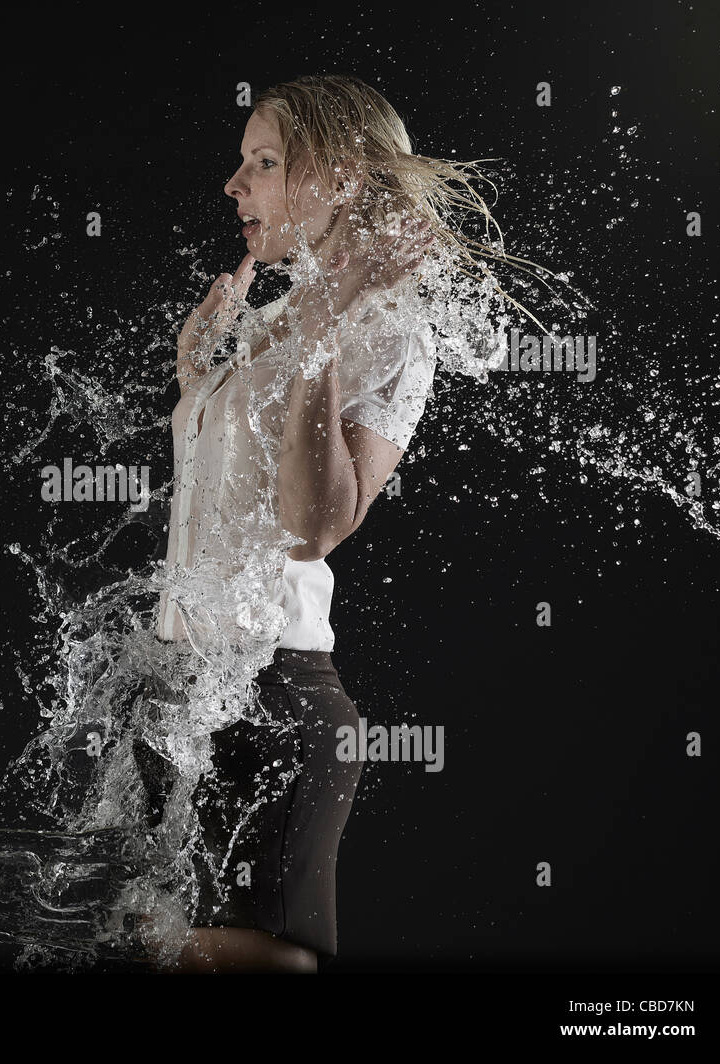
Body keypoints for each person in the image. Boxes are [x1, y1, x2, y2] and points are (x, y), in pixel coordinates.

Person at [144, 73, 500, 973]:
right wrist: (196, 389)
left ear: (339, 178)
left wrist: (324, 334)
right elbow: (220, 508)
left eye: (262, 164)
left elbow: (313, 527)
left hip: (271, 708)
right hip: (190, 696)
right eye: (240, 163)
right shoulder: (278, 311)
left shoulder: (392, 329)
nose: (234, 187)